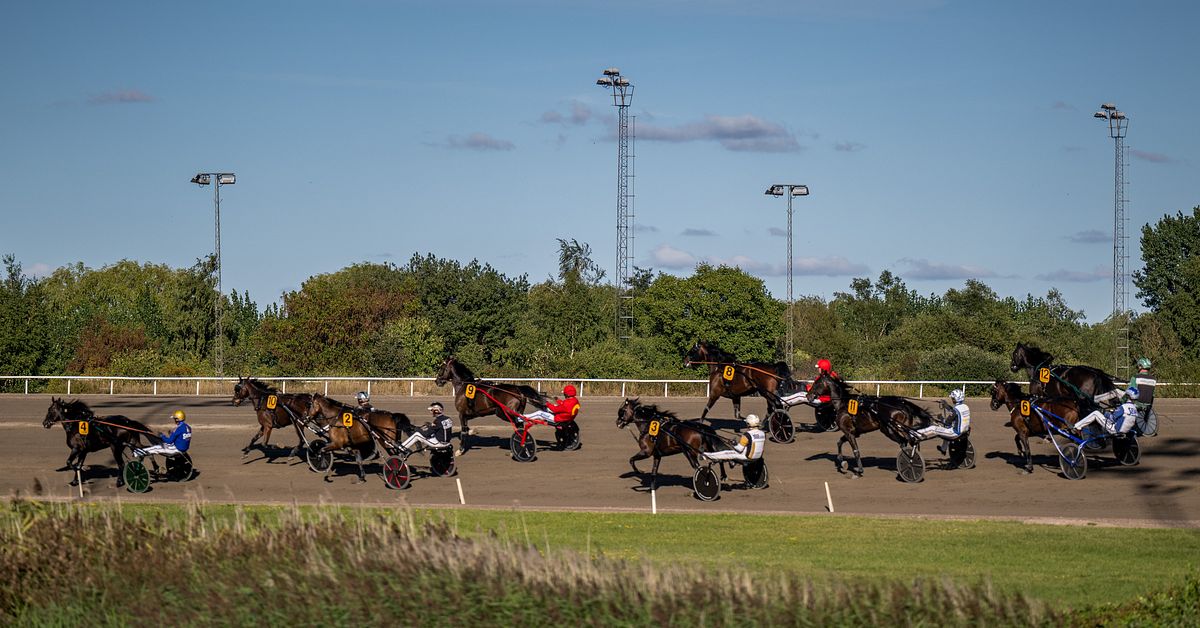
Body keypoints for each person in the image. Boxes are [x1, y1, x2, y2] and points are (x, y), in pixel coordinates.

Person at [915, 389, 971, 453]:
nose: (952, 400)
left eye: (953, 398)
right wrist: (946, 405)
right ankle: (943, 449)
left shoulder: (955, 410)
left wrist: (940, 419)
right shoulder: (965, 407)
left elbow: (947, 423)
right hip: (964, 432)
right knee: (947, 429)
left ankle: (915, 434)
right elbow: (953, 412)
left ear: (956, 399)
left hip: (954, 433)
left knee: (933, 428)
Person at [1074, 387, 1139, 436]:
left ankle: (1077, 427)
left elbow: (1112, 419)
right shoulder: (1135, 409)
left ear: (1128, 396)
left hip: (1115, 430)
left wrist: (1105, 413)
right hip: (1126, 431)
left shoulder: (1123, 407)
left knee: (1096, 413)